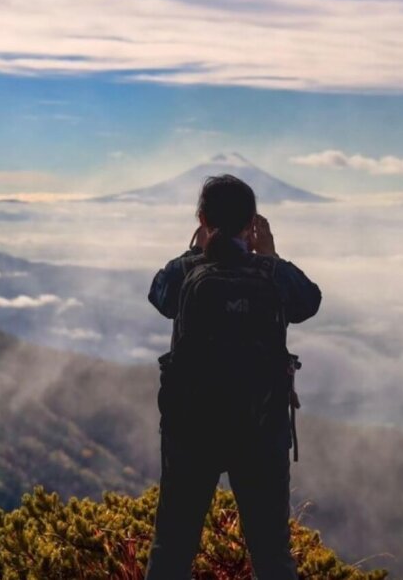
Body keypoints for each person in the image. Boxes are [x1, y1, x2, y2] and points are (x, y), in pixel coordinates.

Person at [145, 174, 322, 580]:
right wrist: (271, 257)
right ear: (253, 222)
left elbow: (158, 295)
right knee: (272, 554)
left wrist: (194, 250)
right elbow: (309, 302)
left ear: (202, 217)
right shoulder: (270, 273)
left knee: (172, 547)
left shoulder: (188, 271)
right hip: (262, 432)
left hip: (190, 432)